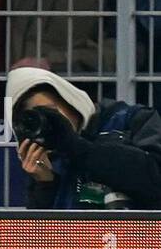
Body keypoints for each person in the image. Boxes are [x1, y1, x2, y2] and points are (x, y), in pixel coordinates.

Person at [10, 66, 161, 209]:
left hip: (137, 235)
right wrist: (45, 185)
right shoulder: (49, 158)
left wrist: (76, 146)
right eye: (39, 119)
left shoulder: (131, 119)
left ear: (69, 100)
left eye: (51, 112)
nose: (50, 123)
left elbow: (155, 180)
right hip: (80, 236)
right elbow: (43, 235)